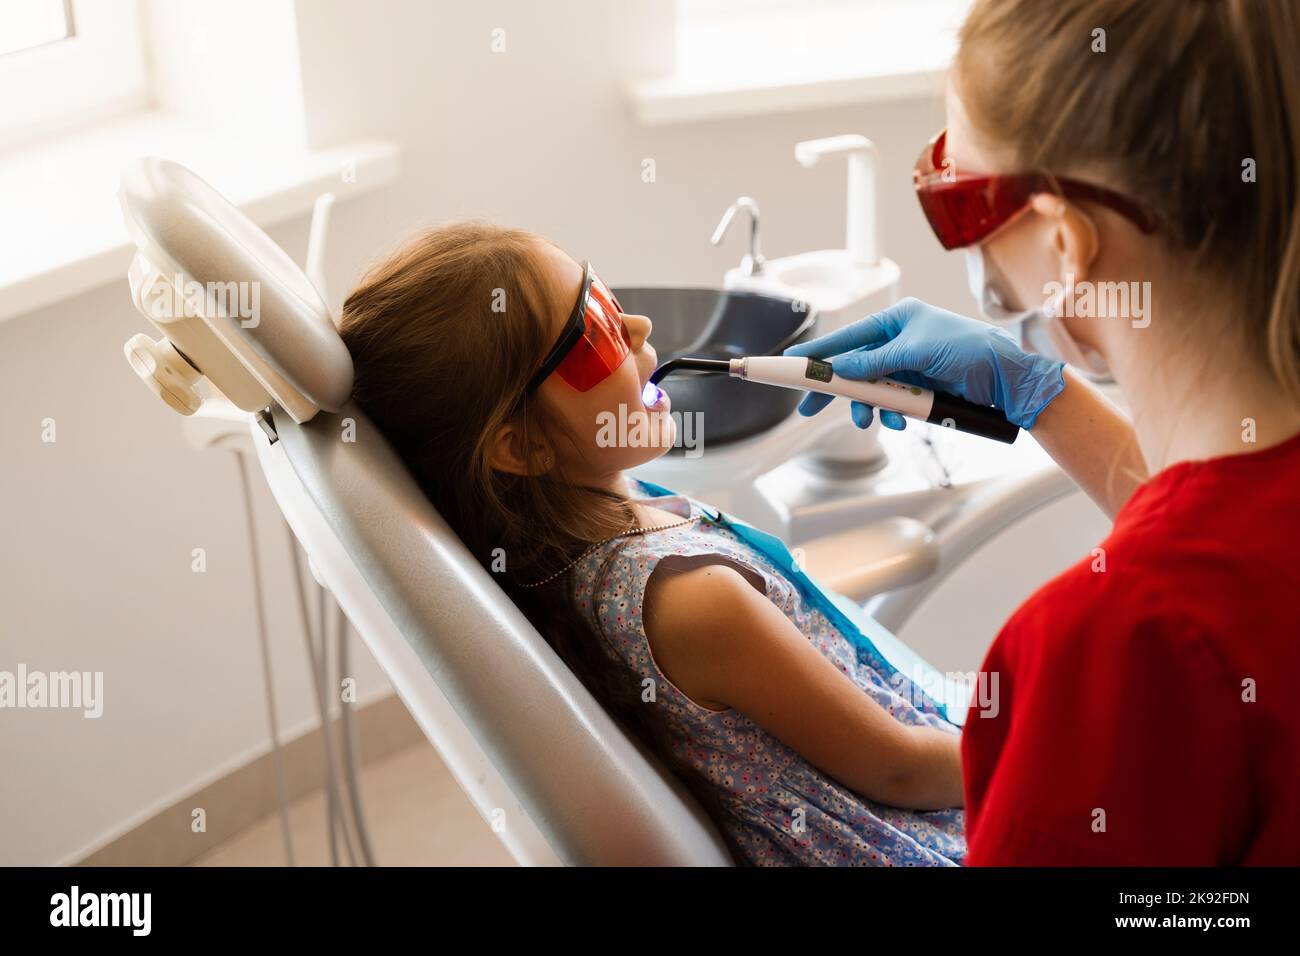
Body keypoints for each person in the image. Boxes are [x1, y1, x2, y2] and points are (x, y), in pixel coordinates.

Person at [789, 0, 1300, 865]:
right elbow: (1245, 549)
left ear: (1068, 245)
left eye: (957, 200)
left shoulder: (1109, 650)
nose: (962, 245)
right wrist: (1042, 395)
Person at [338, 221, 964, 865]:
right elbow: (899, 772)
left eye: (606, 296)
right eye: (596, 334)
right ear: (522, 446)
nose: (636, 325)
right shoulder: (694, 600)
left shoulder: (580, 535)